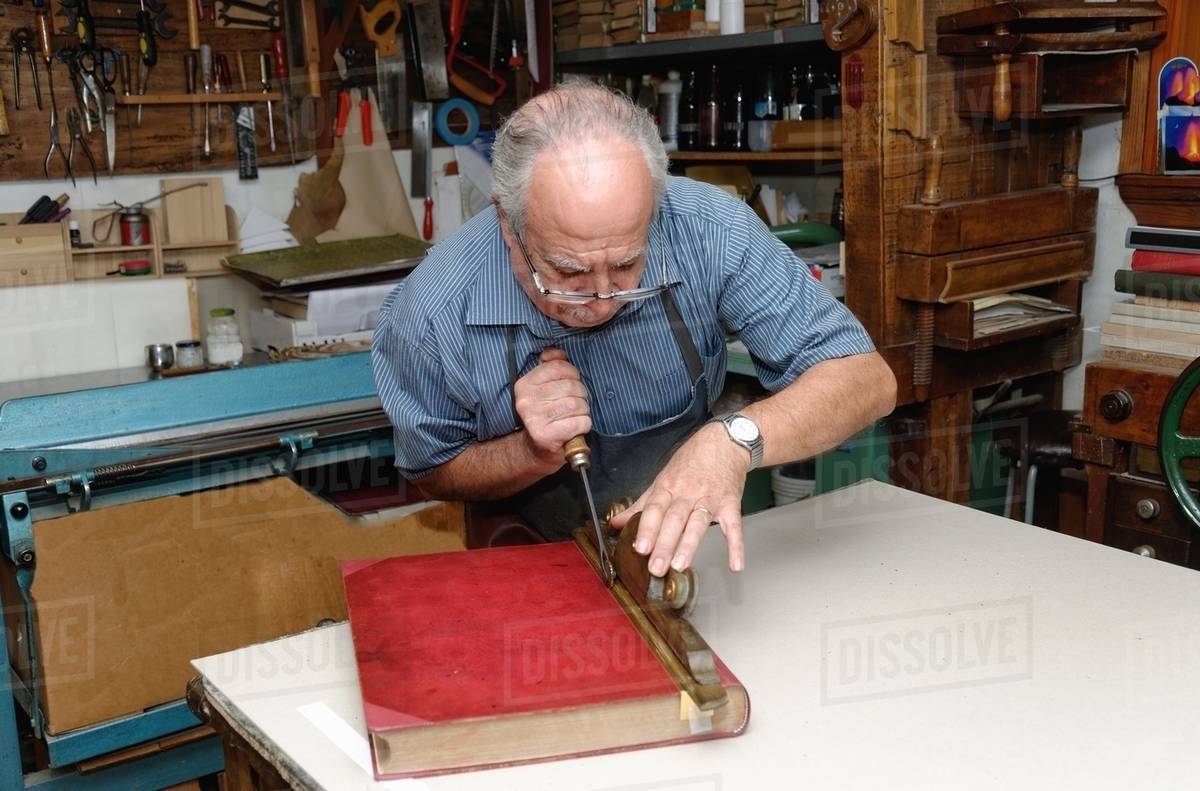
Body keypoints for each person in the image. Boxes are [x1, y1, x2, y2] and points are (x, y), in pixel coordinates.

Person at [372, 82, 896, 577]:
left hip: (687, 554)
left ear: (654, 208)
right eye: (569, 273)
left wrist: (734, 441)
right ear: (508, 224)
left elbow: (867, 380)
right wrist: (528, 454)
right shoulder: (429, 313)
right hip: (523, 565)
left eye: (627, 265)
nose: (602, 300)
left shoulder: (709, 229)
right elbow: (430, 471)